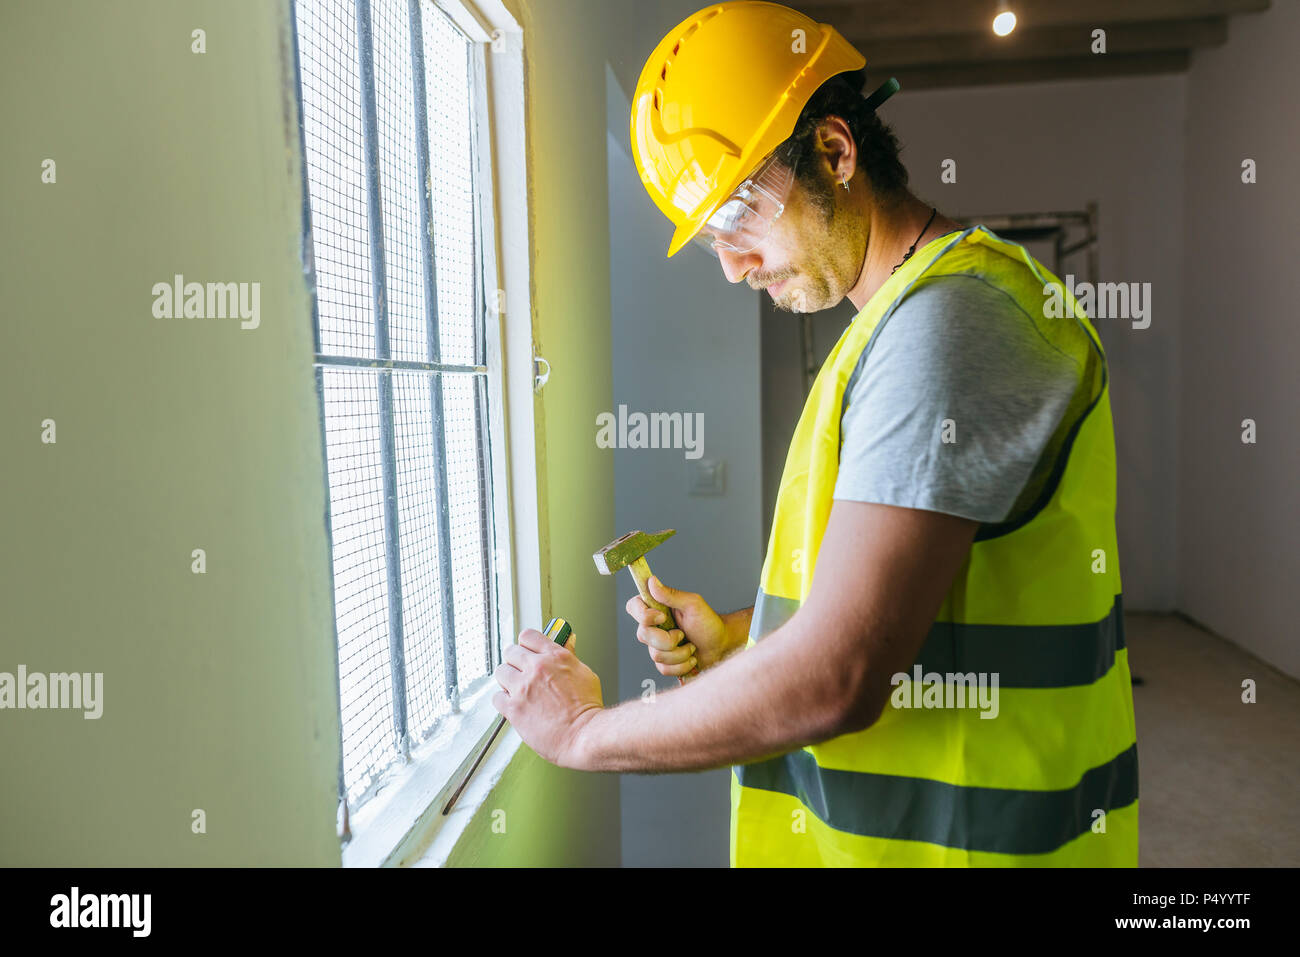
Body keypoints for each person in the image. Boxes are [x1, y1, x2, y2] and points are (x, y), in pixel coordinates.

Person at [491, 1, 1138, 866]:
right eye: (710, 232)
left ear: (835, 152)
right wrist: (740, 639)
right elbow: (909, 614)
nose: (730, 263)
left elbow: (838, 676)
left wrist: (583, 732)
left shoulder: (948, 326)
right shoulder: (908, 320)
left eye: (737, 217)